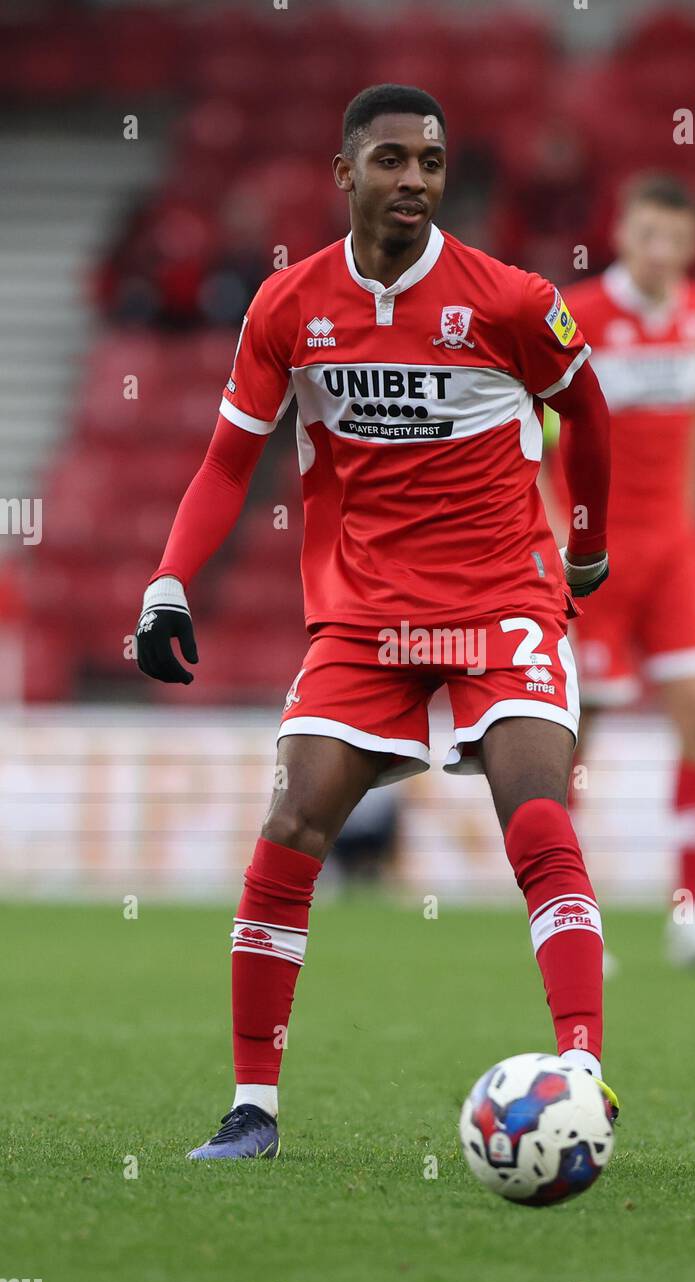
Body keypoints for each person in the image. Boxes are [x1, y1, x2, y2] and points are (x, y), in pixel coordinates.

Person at [135, 84, 618, 1160]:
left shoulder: (509, 300)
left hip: (503, 602)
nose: (415, 181)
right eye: (393, 160)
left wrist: (585, 544)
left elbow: (586, 409)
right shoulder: (287, 307)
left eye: (433, 164)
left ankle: (581, 1073)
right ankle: (252, 1108)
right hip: (365, 619)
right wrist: (168, 579)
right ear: (345, 171)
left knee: (537, 818)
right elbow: (227, 460)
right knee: (293, 822)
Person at [546, 172, 695, 969]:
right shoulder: (577, 316)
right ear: (621, 234)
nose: (661, 251)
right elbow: (540, 438)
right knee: (576, 734)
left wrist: (690, 516)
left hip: (673, 548)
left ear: (694, 245)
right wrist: (556, 538)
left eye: (676, 238)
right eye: (648, 234)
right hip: (592, 554)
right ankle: (570, 916)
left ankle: (694, 912)